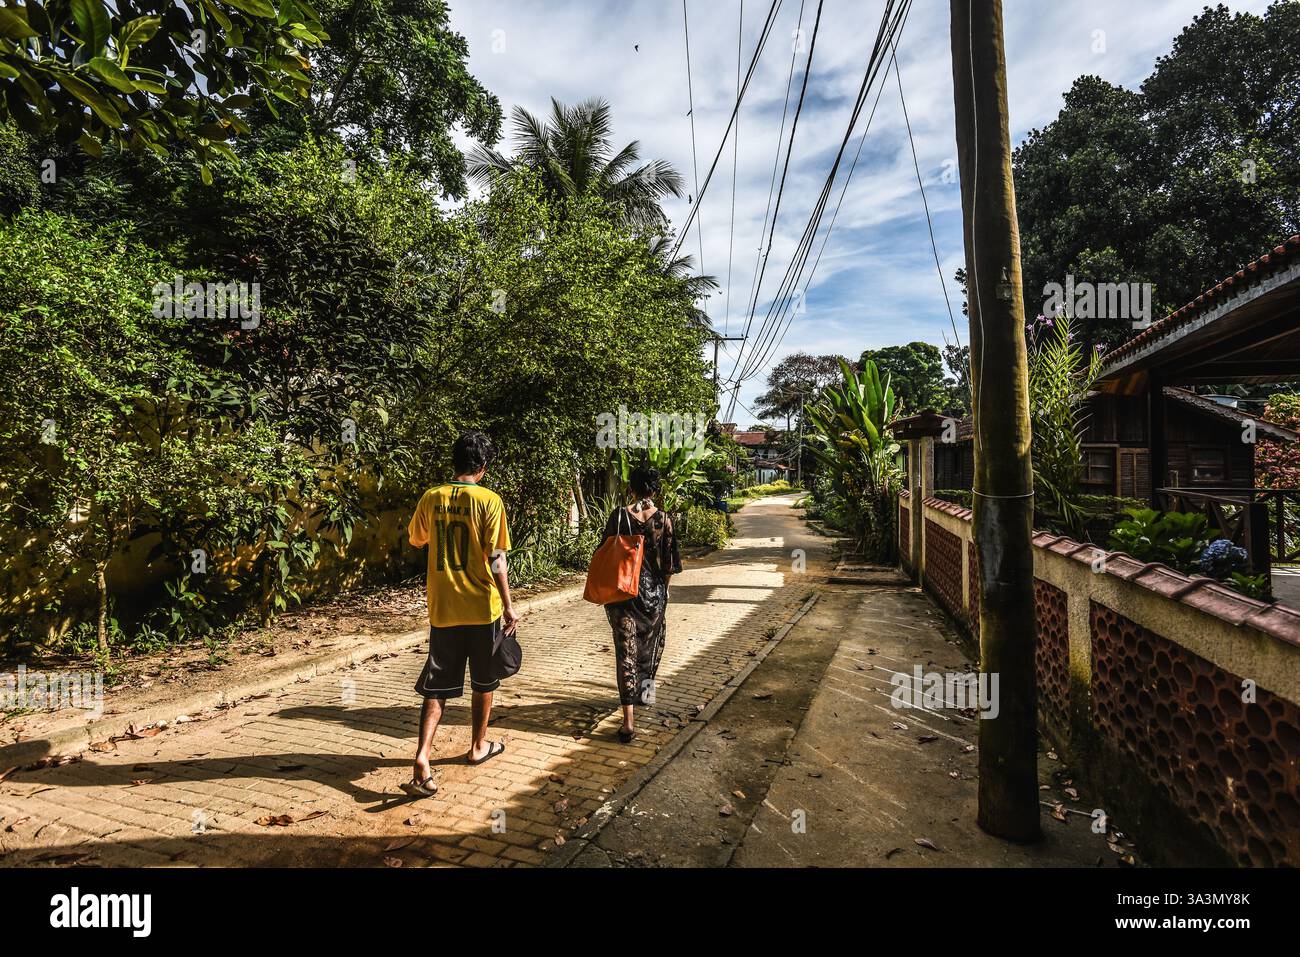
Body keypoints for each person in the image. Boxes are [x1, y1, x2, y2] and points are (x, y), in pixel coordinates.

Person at [403, 431, 520, 798]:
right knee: (484, 681)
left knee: (437, 684)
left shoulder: (431, 497)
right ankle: (477, 747)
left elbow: (417, 539)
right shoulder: (489, 501)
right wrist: (510, 605)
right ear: (482, 468)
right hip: (482, 606)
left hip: (443, 606)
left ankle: (422, 755)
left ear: (455, 462)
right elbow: (497, 560)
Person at [598, 465, 681, 743]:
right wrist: (664, 591)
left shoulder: (619, 516)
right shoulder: (663, 520)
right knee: (648, 645)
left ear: (630, 488)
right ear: (655, 490)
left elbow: (604, 552)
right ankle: (646, 694)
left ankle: (628, 722)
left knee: (626, 652)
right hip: (653, 595)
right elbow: (668, 565)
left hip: (622, 594)